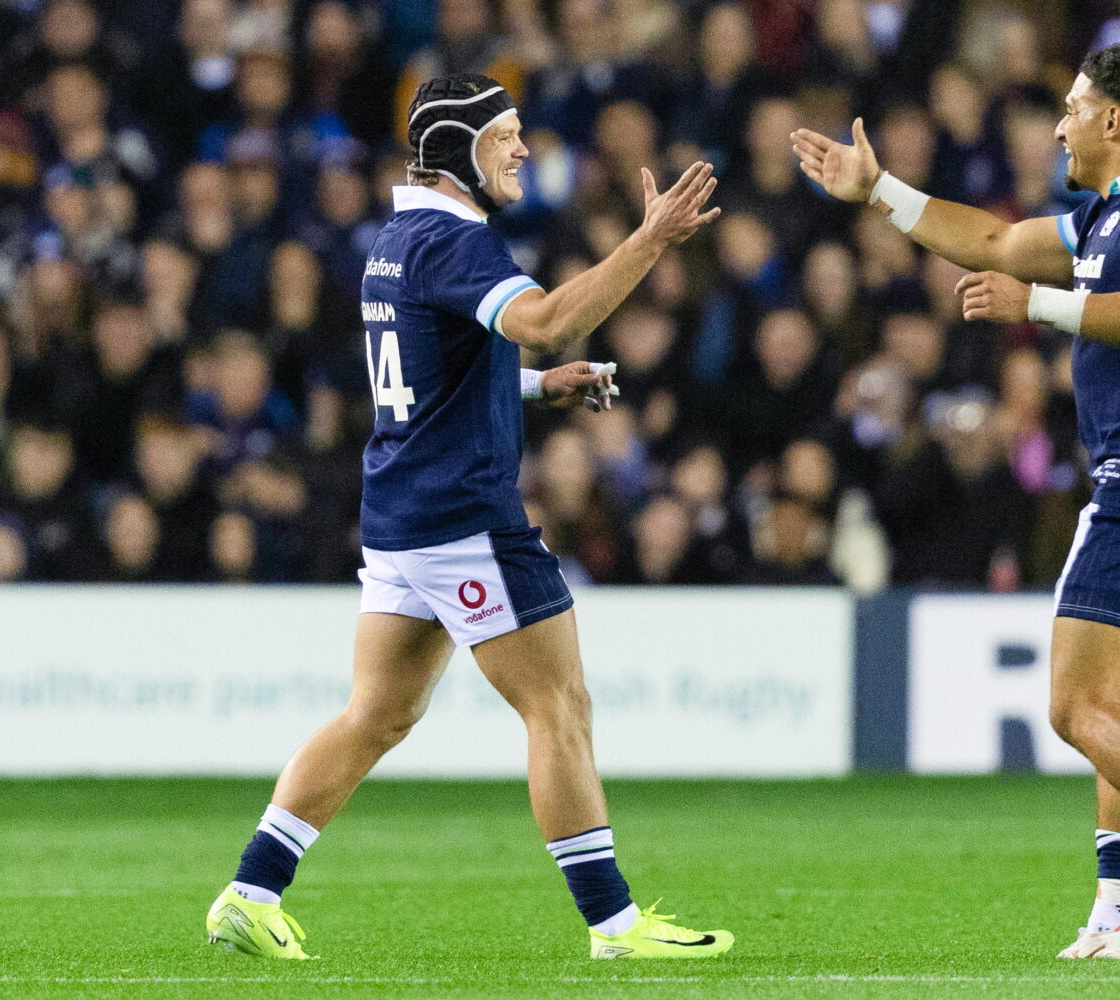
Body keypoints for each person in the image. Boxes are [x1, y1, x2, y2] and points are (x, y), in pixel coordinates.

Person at [205, 74, 731, 962]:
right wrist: (649, 242)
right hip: (465, 519)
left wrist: (529, 388)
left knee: (375, 715)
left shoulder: (395, 239)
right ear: (459, 150)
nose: (525, 148)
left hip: (402, 516)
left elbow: (428, 378)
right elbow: (551, 320)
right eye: (508, 134)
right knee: (558, 706)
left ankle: (250, 894)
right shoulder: (453, 243)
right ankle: (614, 926)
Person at [794, 43, 1120, 963]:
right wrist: (880, 192)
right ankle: (1116, 919)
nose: (1059, 123)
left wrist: (1041, 308)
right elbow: (988, 241)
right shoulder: (1115, 212)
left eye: (1072, 105)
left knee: (1075, 707)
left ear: (1114, 121)